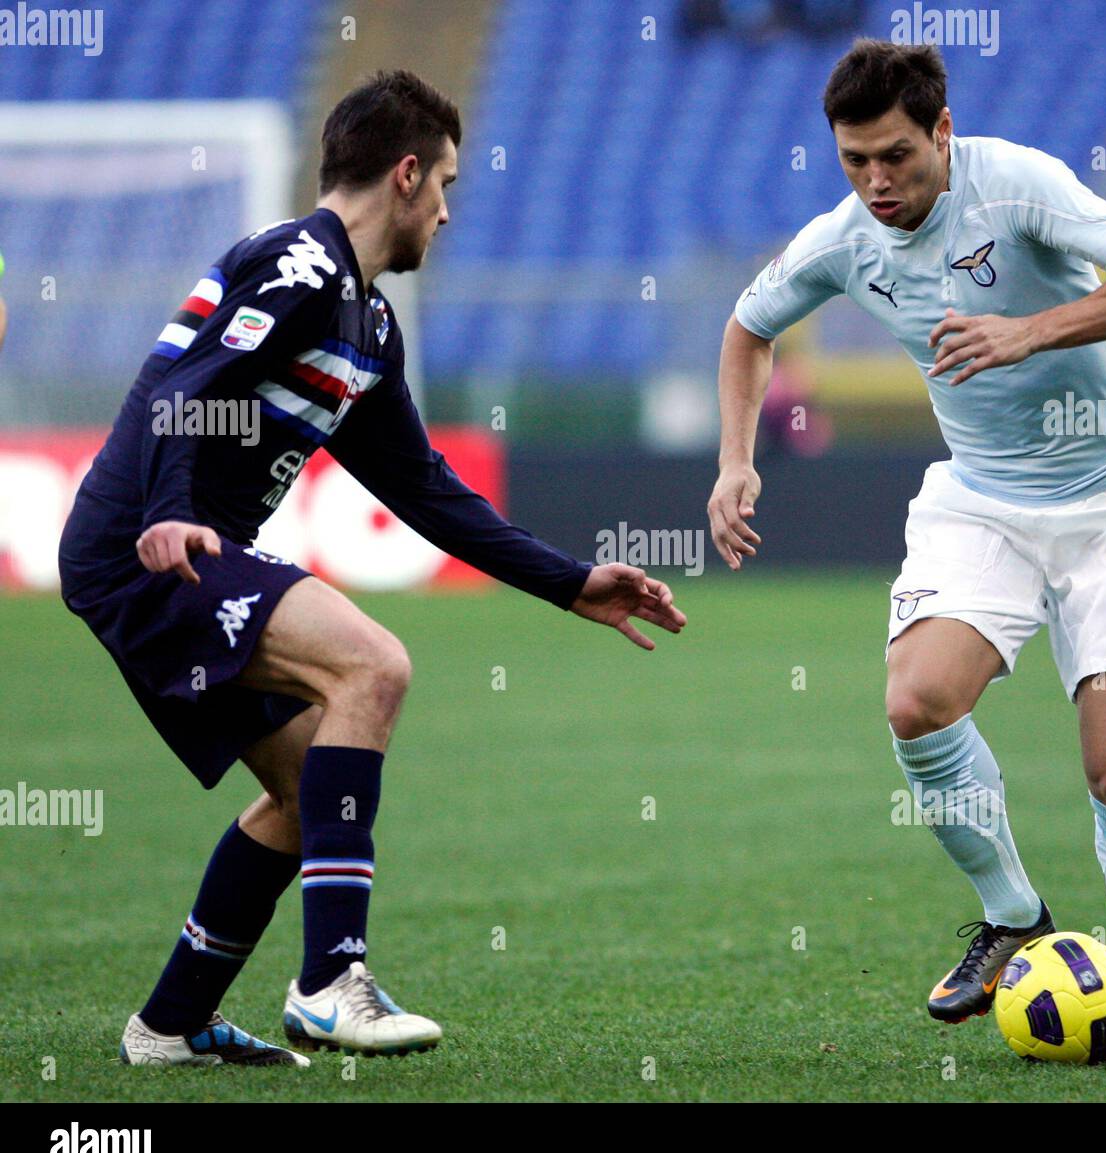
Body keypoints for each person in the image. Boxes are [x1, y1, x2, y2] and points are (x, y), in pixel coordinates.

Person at [59, 70, 686, 1067]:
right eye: (443, 184)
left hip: (185, 551)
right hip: (148, 549)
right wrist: (174, 511)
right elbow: (192, 384)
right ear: (404, 175)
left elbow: (425, 490)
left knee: (311, 792)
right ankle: (329, 981)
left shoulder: (367, 325)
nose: (444, 211)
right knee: (372, 666)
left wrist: (570, 582)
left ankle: (168, 1025)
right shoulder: (300, 267)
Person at [708, 39, 1106, 1060]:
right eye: (853, 160)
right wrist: (733, 462)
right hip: (982, 505)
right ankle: (1013, 915)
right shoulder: (845, 238)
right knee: (914, 701)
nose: (876, 181)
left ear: (942, 131)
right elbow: (747, 328)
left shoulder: (1017, 184)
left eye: (895, 155)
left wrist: (1028, 330)